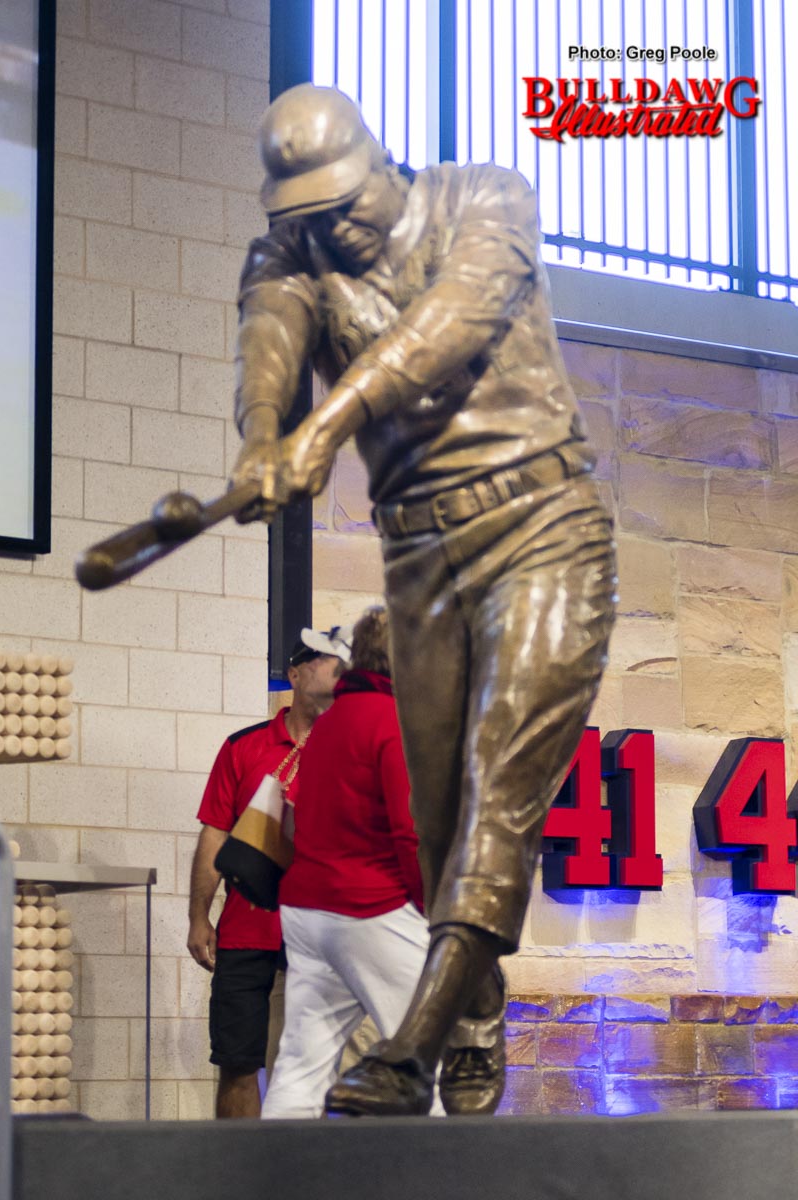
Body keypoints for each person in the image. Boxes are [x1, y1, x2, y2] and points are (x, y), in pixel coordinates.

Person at [230, 83, 617, 1117]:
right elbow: (269, 347)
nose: (328, 233)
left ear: (379, 166)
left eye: (340, 209)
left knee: (499, 778)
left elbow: (448, 325)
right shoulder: (292, 255)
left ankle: (412, 1048)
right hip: (418, 554)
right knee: (445, 818)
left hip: (541, 523)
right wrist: (265, 434)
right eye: (304, 217)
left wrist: (328, 426)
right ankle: (477, 1010)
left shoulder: (483, 195)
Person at [261, 606, 436, 1118]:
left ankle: (277, 1180)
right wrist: (432, 908)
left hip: (306, 911)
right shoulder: (395, 722)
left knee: (301, 1065)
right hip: (369, 906)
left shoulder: (329, 724)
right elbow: (411, 831)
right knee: (434, 1055)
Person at [187, 625, 352, 1117]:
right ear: (295, 674)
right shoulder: (244, 746)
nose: (339, 670)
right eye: (327, 661)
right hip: (247, 930)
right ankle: (239, 1178)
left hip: (323, 933)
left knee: (312, 1067)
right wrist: (198, 917)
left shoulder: (353, 749)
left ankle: (304, 1181)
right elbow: (215, 833)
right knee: (238, 1064)